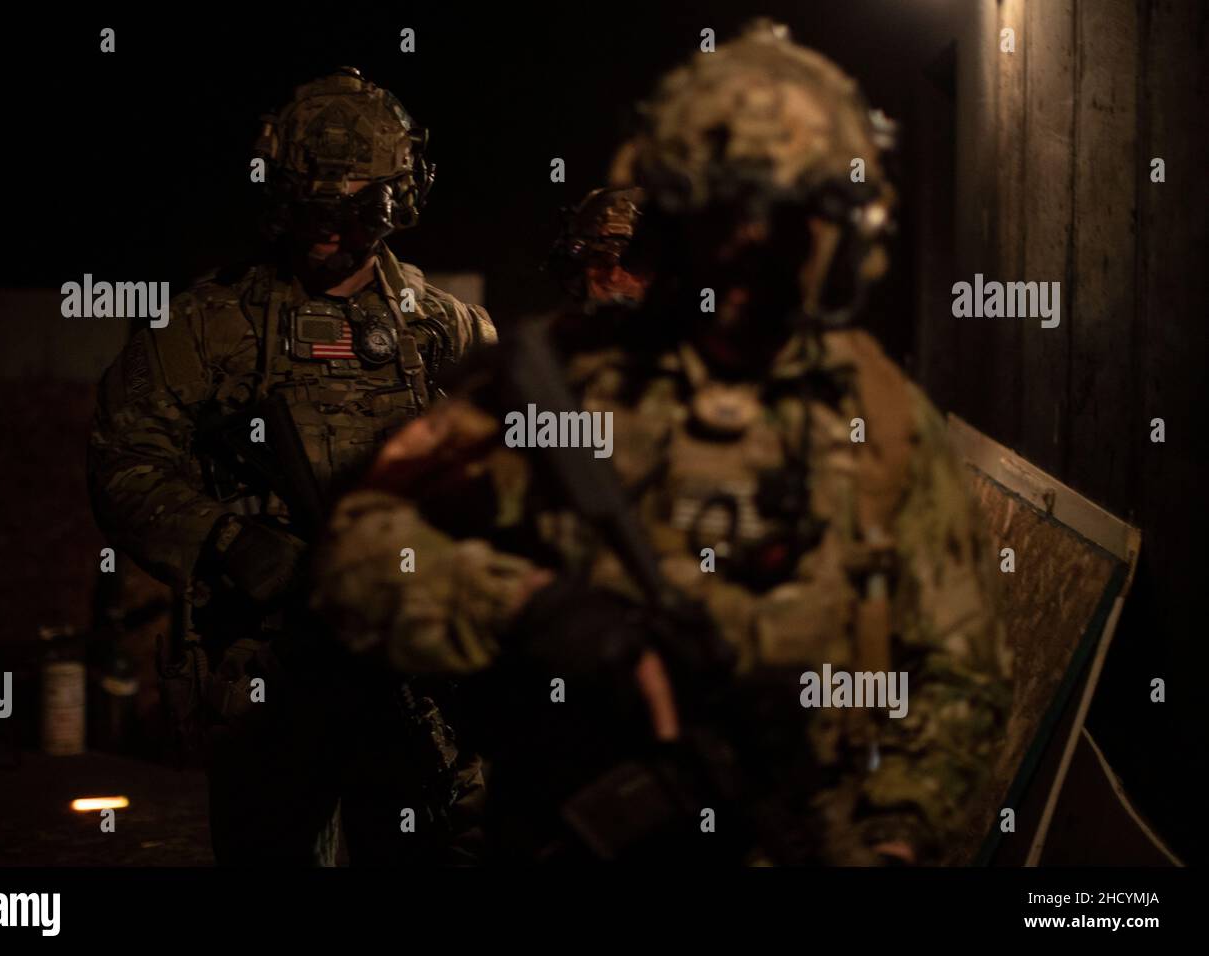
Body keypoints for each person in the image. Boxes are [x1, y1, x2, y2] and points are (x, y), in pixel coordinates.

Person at [312, 22, 1011, 864]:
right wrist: (533, 608)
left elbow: (962, 673)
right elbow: (358, 551)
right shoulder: (551, 386)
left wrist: (899, 832)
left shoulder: (879, 414)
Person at [88, 67, 494, 865]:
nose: (325, 237)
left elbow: (524, 448)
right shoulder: (210, 324)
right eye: (309, 211)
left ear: (394, 206)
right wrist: (231, 544)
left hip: (405, 676)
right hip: (273, 673)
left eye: (351, 215)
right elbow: (122, 459)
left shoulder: (438, 326)